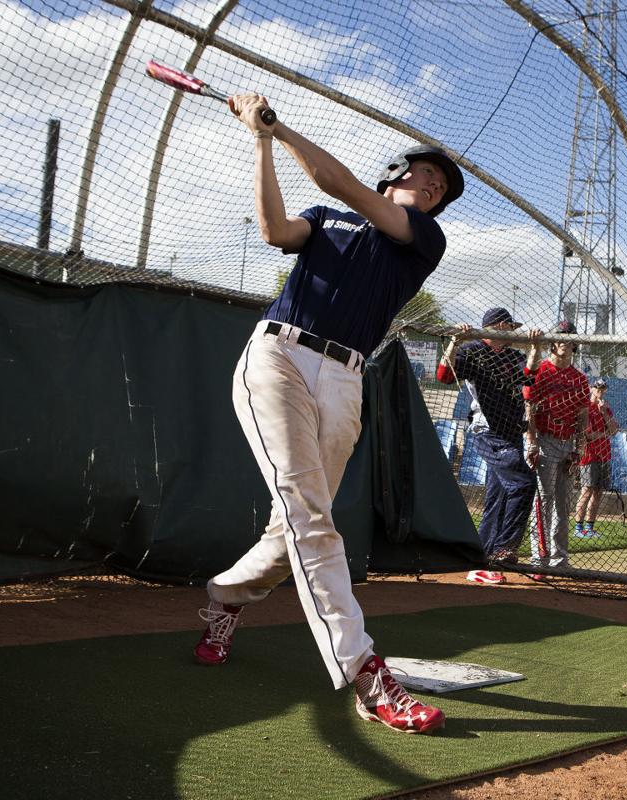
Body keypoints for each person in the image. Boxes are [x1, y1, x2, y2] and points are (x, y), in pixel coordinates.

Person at [191, 93, 464, 735]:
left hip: (346, 378)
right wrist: (260, 142)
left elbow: (336, 177)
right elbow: (274, 231)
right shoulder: (327, 221)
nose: (432, 186)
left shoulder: (422, 240)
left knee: (294, 532)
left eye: (440, 187)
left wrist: (276, 125)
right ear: (396, 173)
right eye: (425, 174)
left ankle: (225, 595)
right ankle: (367, 673)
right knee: (311, 519)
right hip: (279, 356)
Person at [436, 308, 541, 585]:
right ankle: (504, 549)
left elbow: (529, 381)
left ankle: (481, 561)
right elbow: (444, 376)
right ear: (496, 326)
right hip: (487, 430)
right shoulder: (472, 350)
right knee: (523, 483)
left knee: (499, 498)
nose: (511, 330)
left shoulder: (511, 355)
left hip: (511, 432)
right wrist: (454, 341)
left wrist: (535, 348)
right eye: (507, 325)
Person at [524, 320, 590, 572]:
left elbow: (583, 415)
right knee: (543, 501)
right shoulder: (541, 371)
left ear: (575, 344)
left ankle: (559, 560)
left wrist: (580, 447)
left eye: (568, 337)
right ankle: (538, 557)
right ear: (552, 341)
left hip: (568, 442)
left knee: (563, 504)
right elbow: (529, 407)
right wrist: (531, 441)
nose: (563, 341)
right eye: (559, 336)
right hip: (545, 437)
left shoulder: (580, 379)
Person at [574, 378, 619, 539]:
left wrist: (604, 413)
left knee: (598, 492)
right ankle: (578, 527)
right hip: (589, 454)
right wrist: (604, 433)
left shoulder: (605, 408)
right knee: (586, 490)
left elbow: (614, 430)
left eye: (603, 389)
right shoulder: (585, 407)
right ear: (591, 388)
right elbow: (588, 434)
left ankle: (589, 527)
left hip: (604, 453)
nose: (600, 391)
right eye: (597, 388)